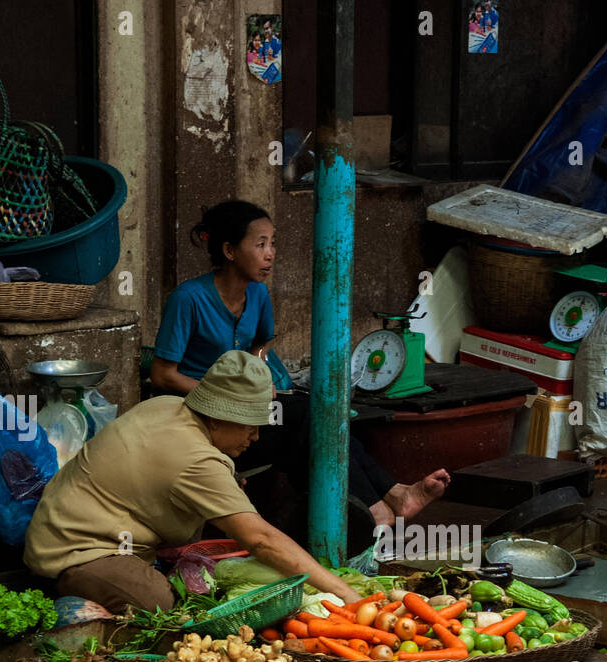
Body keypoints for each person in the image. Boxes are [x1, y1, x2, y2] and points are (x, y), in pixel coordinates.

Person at [151, 200, 450, 533]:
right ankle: (378, 507)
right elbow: (162, 374)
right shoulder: (188, 298)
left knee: (322, 413)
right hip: (204, 419)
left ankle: (389, 497)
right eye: (260, 243)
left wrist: (259, 374)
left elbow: (260, 344)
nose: (270, 253)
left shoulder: (258, 295)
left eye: (273, 243)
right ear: (229, 250)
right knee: (306, 417)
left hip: (247, 416)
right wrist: (231, 395)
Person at [24, 351, 357, 613]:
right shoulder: (196, 459)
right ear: (216, 416)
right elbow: (262, 540)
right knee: (162, 605)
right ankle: (76, 596)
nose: (255, 437)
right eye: (248, 426)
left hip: (59, 524)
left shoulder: (166, 405)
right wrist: (344, 592)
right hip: (75, 552)